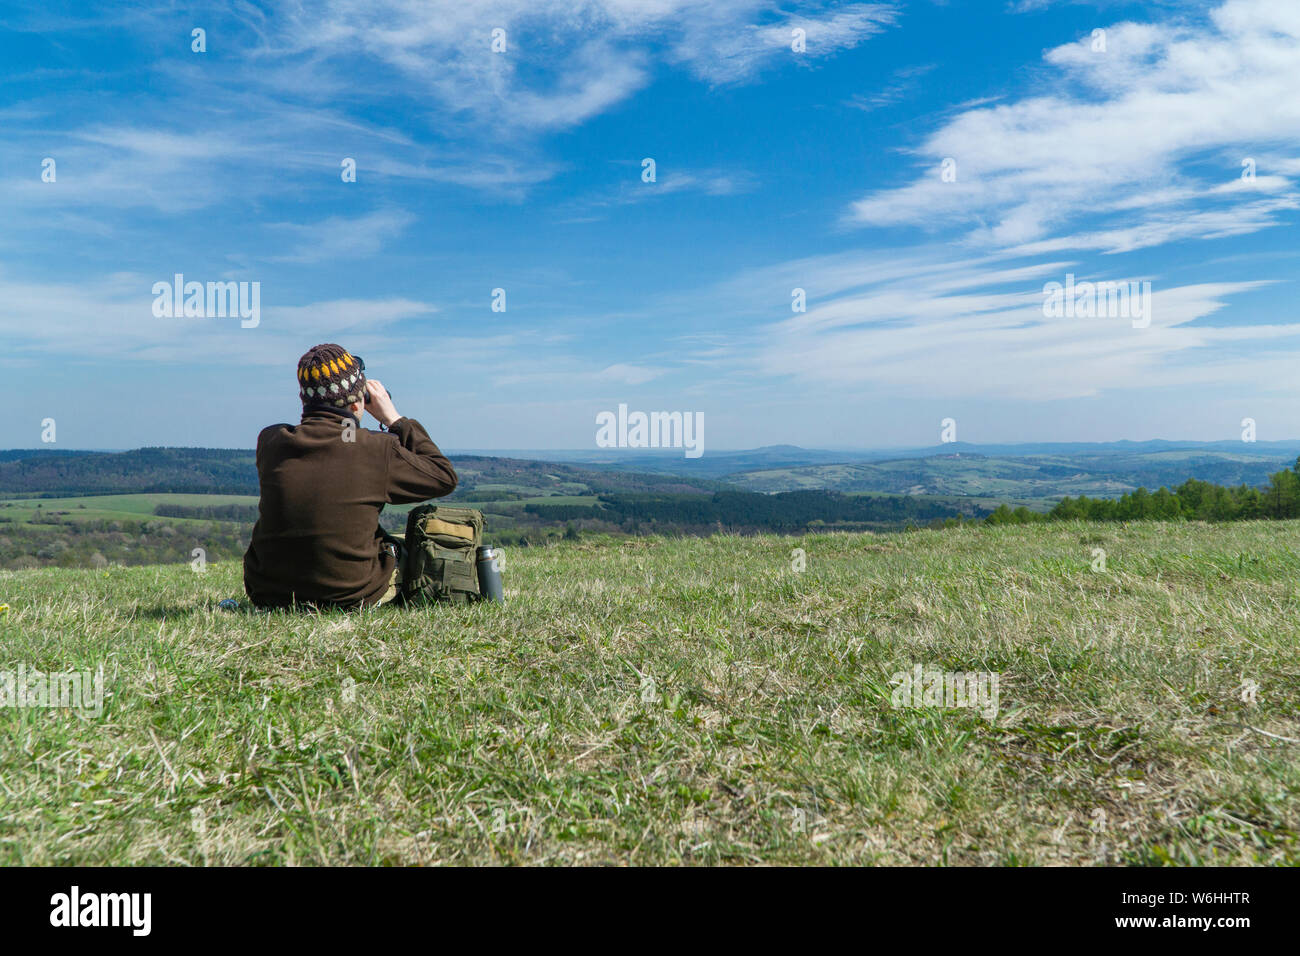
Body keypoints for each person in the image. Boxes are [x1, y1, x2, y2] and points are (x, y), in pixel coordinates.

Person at [243, 343, 458, 609]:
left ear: (304, 399)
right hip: (352, 595)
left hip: (268, 593)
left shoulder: (270, 441)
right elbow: (443, 476)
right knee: (406, 544)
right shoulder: (376, 449)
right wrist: (395, 420)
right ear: (359, 401)